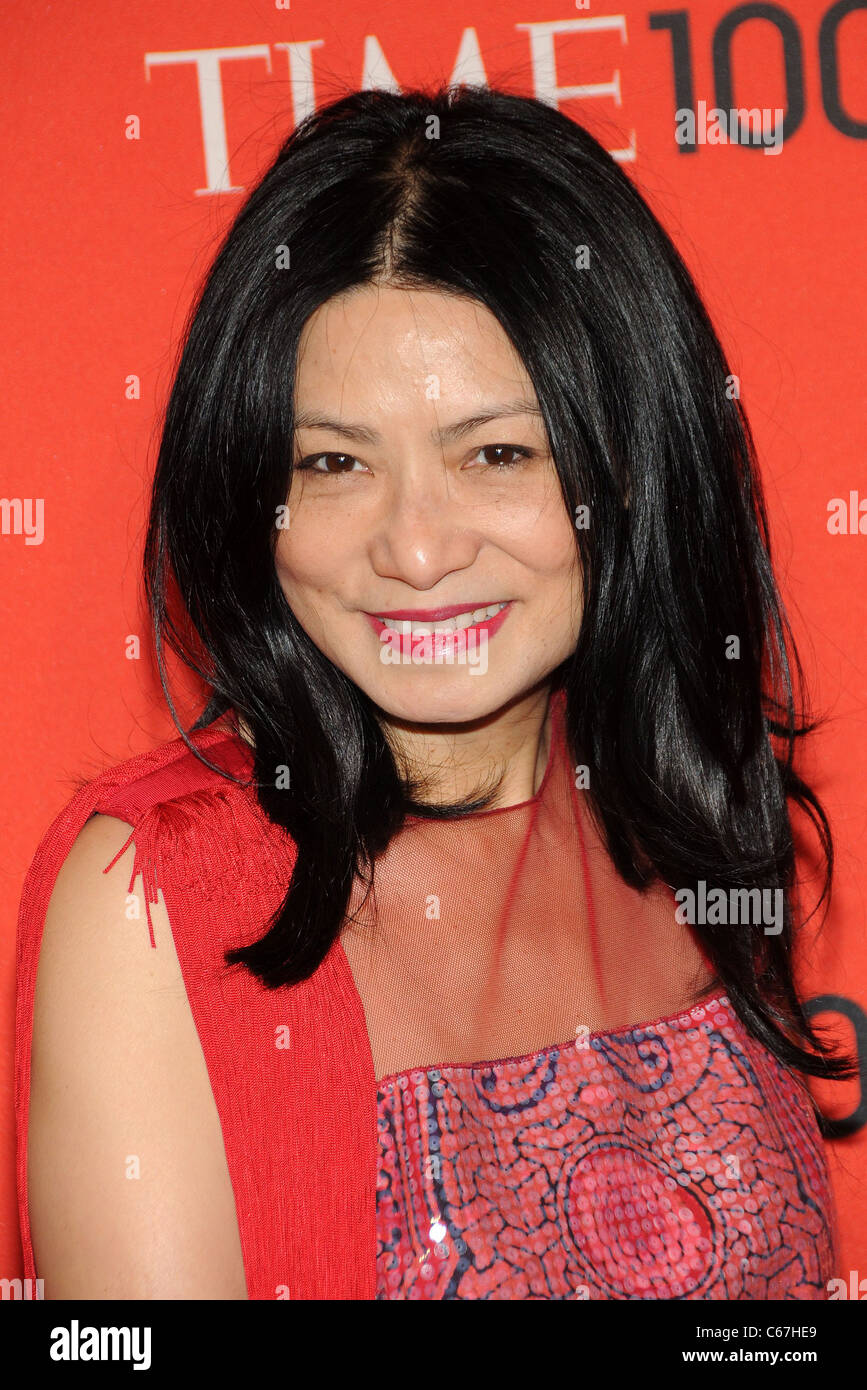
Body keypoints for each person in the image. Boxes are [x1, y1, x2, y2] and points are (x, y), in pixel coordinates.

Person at [16, 83, 852, 1301]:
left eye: (497, 453)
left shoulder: (680, 809)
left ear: (632, 466)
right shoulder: (160, 899)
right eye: (335, 461)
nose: (414, 550)